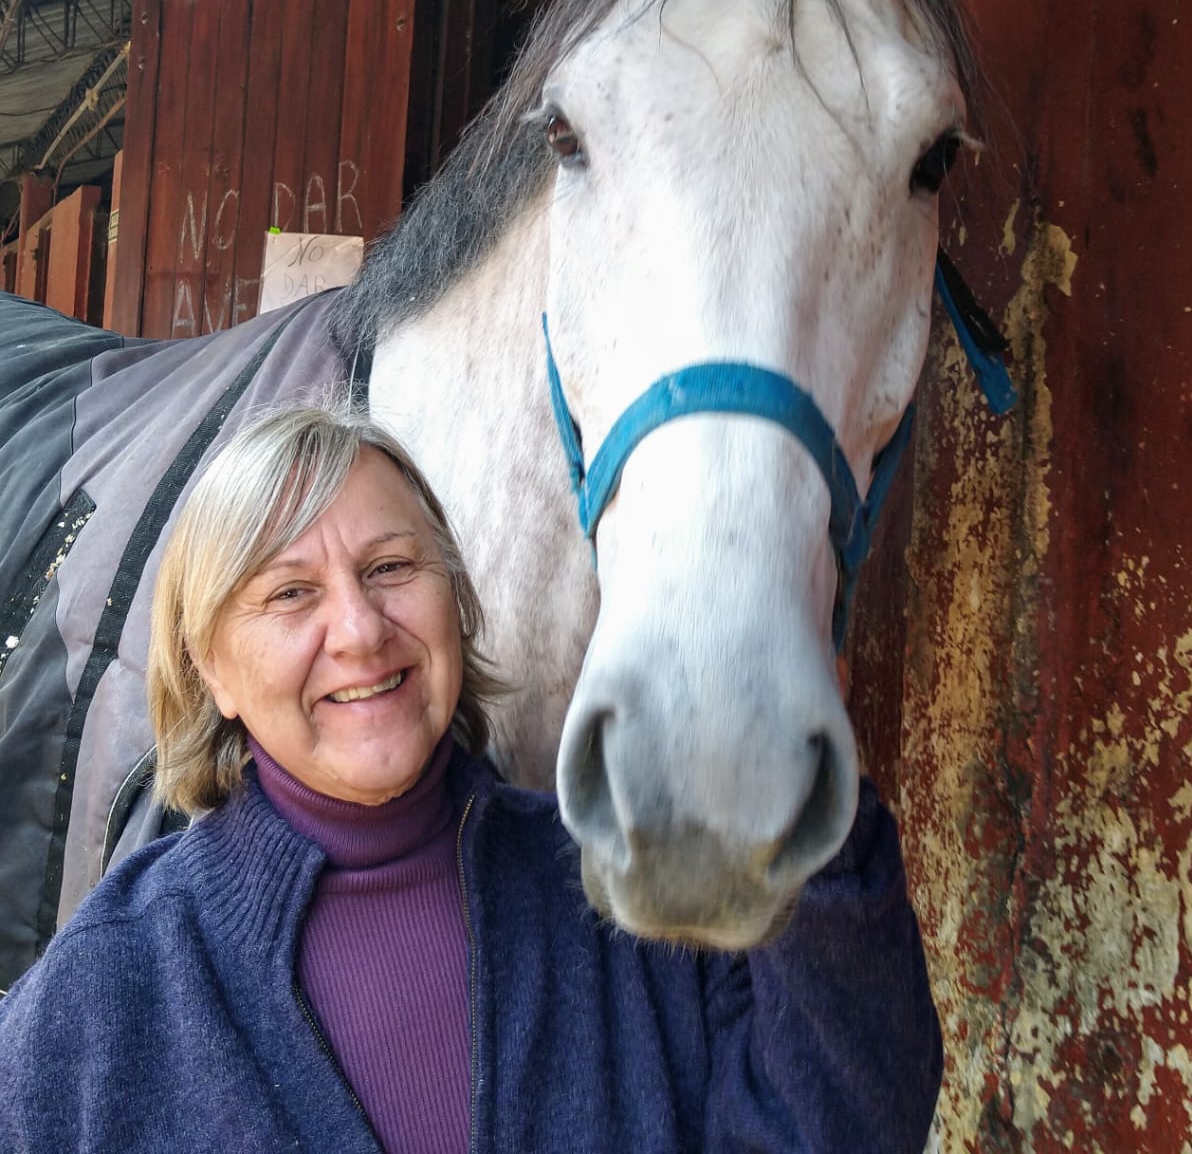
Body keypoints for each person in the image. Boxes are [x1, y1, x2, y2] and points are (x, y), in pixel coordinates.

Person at [0, 402, 943, 1153]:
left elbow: (843, 1125)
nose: (362, 631)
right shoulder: (110, 990)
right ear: (212, 669)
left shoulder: (632, 899)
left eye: (392, 566)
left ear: (455, 596)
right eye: (291, 593)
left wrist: (809, 813)